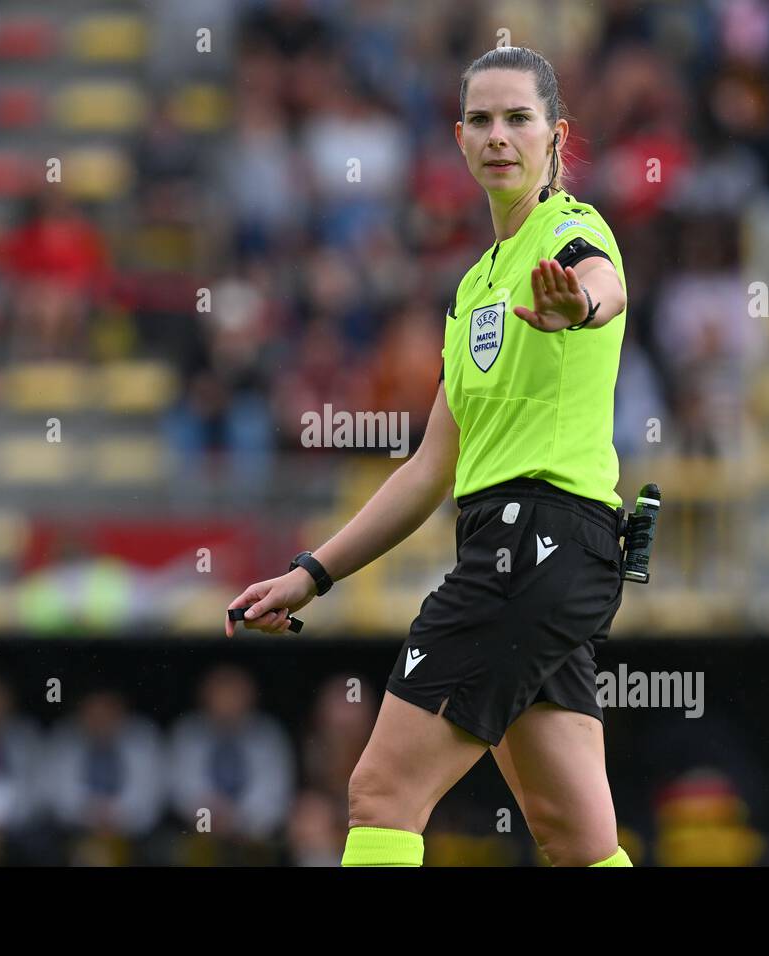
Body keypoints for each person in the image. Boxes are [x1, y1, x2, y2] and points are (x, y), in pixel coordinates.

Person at [227, 46, 632, 868]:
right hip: (542, 555)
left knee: (380, 793)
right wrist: (312, 573)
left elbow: (605, 286)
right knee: (577, 840)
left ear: (557, 135)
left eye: (519, 118)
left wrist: (580, 305)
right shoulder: (475, 287)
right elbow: (426, 471)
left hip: (535, 541)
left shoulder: (572, 229)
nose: (499, 135)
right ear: (457, 137)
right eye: (480, 119)